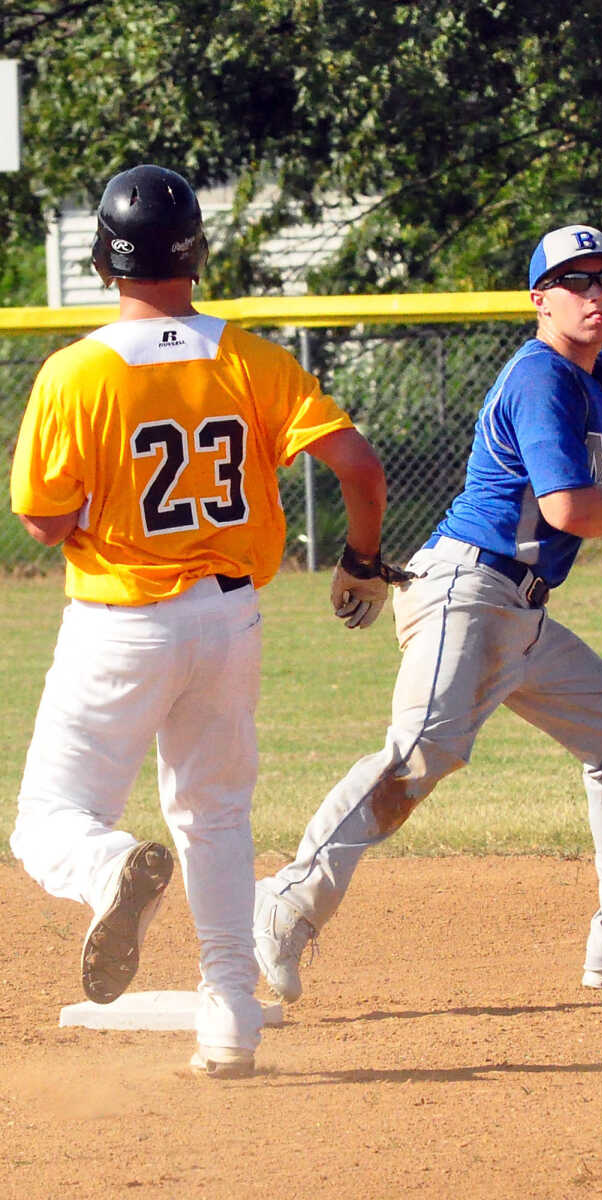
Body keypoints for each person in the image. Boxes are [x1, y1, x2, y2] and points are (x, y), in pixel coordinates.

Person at [252, 223, 602, 1002]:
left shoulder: (597, 374)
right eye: (575, 282)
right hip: (468, 593)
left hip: (515, 610)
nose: (595, 295)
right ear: (538, 299)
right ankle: (286, 901)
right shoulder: (541, 378)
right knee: (420, 753)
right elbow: (567, 508)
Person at [9, 164, 394, 1079]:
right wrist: (362, 560)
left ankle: (108, 871)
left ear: (105, 260)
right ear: (197, 255)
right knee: (216, 814)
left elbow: (43, 519)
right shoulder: (250, 358)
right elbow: (361, 468)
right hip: (229, 621)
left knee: (48, 822)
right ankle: (229, 1021)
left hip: (119, 621)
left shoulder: (76, 371)